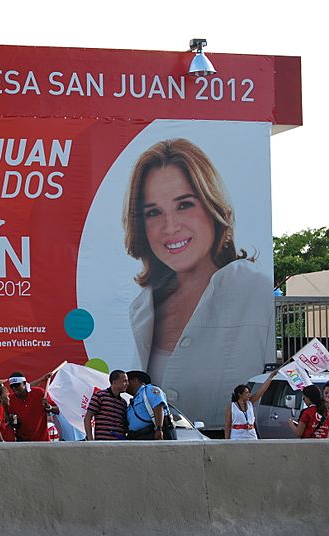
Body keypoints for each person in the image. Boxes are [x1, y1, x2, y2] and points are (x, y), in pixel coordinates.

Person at [123, 138, 274, 428]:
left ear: (213, 207)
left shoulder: (253, 291)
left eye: (184, 205)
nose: (170, 226)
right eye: (153, 212)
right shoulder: (143, 307)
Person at [224, 369, 278, 440]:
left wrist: (271, 376)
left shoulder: (250, 402)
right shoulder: (231, 406)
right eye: (246, 393)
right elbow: (227, 425)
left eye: (249, 392)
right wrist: (227, 440)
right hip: (237, 435)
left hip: (251, 433)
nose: (249, 395)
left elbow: (262, 391)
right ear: (240, 394)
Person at [6, 371, 59, 441]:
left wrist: (49, 407)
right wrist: (12, 421)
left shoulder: (39, 393)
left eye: (17, 385)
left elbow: (58, 410)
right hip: (22, 441)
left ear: (24, 383)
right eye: (12, 386)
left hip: (42, 440)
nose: (14, 388)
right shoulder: (10, 399)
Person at [125, 370, 174, 440]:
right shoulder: (134, 399)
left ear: (135, 380)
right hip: (139, 437)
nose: (125, 384)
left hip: (153, 434)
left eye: (127, 381)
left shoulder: (148, 390)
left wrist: (158, 429)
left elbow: (158, 407)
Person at [83, 370, 128, 441]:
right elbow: (88, 418)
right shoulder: (100, 396)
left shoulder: (123, 403)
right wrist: (90, 440)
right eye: (124, 381)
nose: (127, 384)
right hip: (103, 444)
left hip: (119, 444)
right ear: (114, 382)